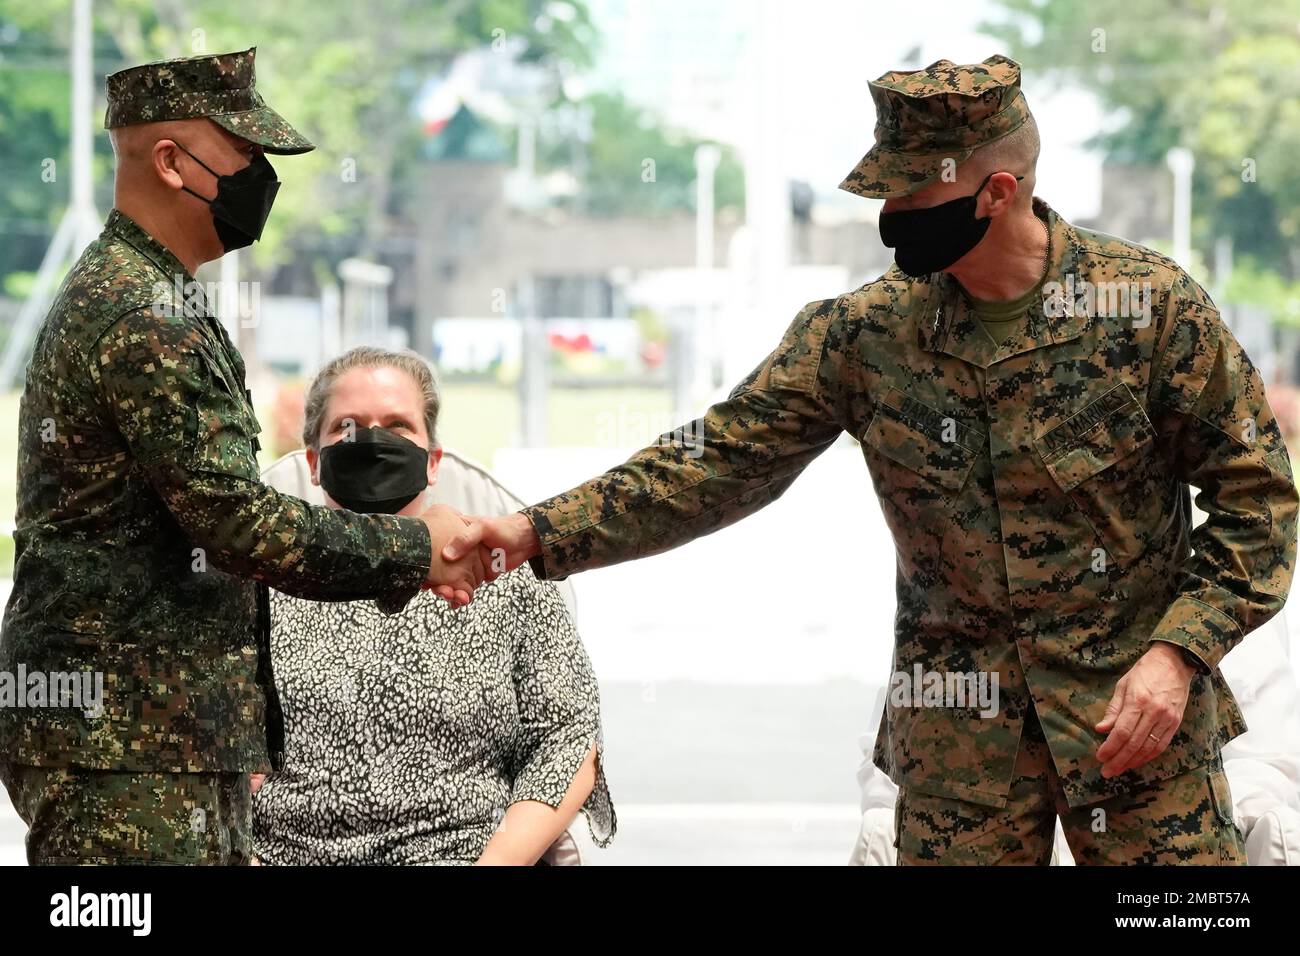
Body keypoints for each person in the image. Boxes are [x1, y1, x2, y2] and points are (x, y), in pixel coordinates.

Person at [443, 55, 1299, 864]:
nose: (890, 208)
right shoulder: (861, 337)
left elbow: (1259, 503)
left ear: (997, 190)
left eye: (912, 186)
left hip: (1139, 730)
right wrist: (534, 533)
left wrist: (1179, 654)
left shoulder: (1146, 309)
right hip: (963, 752)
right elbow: (711, 463)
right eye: (884, 185)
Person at [0, 49, 484, 866]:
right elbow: (237, 524)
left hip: (151, 734)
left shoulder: (153, 292)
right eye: (245, 154)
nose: (261, 176)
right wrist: (418, 546)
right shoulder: (143, 314)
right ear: (170, 161)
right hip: (127, 744)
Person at [250, 347, 615, 865]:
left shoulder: (506, 577)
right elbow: (205, 742)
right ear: (313, 461)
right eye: (348, 427)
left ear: (433, 459)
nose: (373, 441)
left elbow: (570, 740)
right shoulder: (258, 582)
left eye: (398, 426)